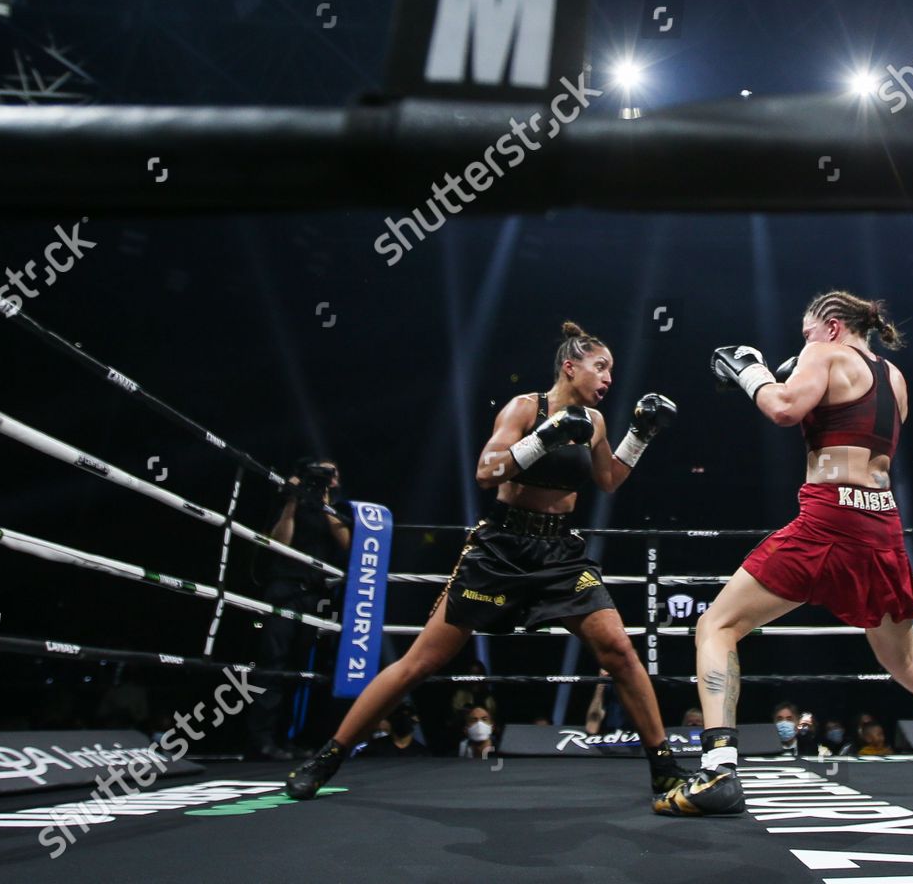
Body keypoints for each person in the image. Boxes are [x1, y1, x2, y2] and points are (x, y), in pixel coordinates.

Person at [655, 290, 913, 816]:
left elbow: (781, 409)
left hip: (828, 519)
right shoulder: (896, 379)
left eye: (807, 333)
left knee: (717, 627)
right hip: (881, 525)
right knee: (908, 663)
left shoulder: (826, 354)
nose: (804, 344)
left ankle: (717, 771)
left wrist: (750, 373)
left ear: (834, 326)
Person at [287, 322, 686, 801]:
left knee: (619, 651)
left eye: (611, 371)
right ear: (569, 366)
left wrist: (639, 436)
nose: (608, 379)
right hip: (502, 547)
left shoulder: (597, 423)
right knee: (422, 662)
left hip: (560, 552)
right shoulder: (525, 408)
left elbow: (607, 480)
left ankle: (665, 767)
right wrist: (546, 435)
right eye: (600, 367)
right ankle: (329, 756)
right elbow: (484, 472)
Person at [247, 457, 350, 761]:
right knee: (272, 663)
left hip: (314, 593)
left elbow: (346, 543)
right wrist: (293, 500)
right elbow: (279, 543)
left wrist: (326, 502)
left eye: (333, 473)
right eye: (322, 473)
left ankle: (285, 738)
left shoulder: (337, 508)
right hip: (284, 587)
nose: (328, 478)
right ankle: (260, 740)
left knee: (299, 667)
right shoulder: (290, 501)